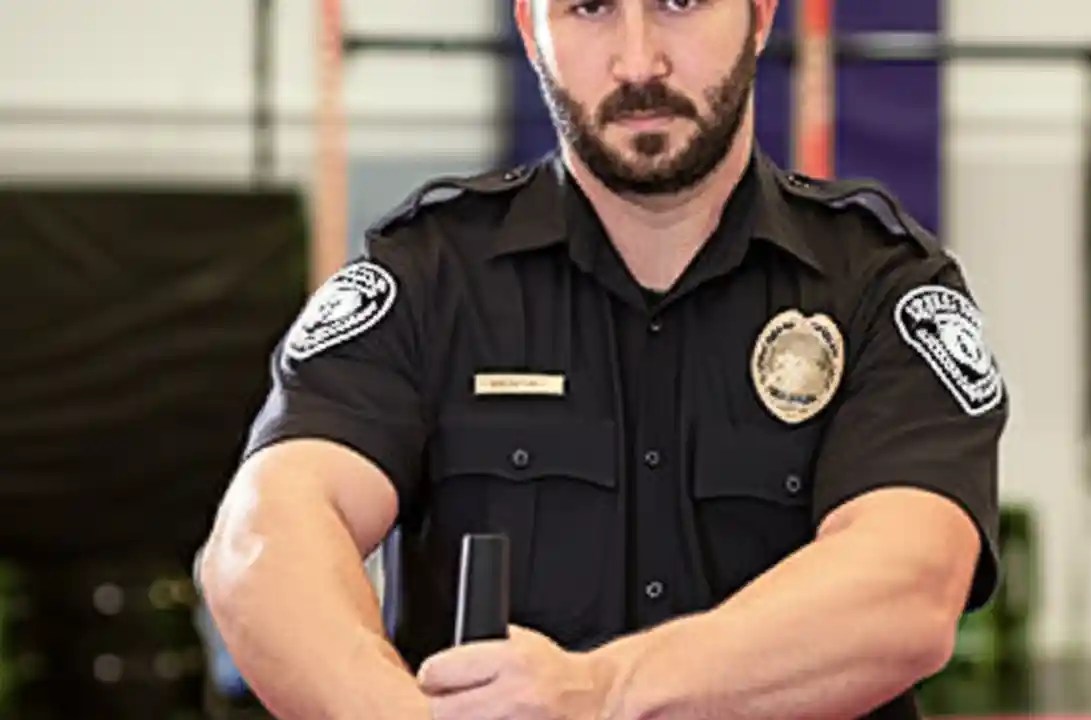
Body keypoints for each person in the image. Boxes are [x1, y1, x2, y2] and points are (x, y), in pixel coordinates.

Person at [197, 0, 1009, 718]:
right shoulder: (428, 279)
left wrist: (606, 692)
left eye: (680, 2)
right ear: (531, 29)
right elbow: (260, 544)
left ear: (762, 15)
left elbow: (911, 586)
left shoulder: (881, 287)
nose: (638, 60)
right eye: (588, 8)